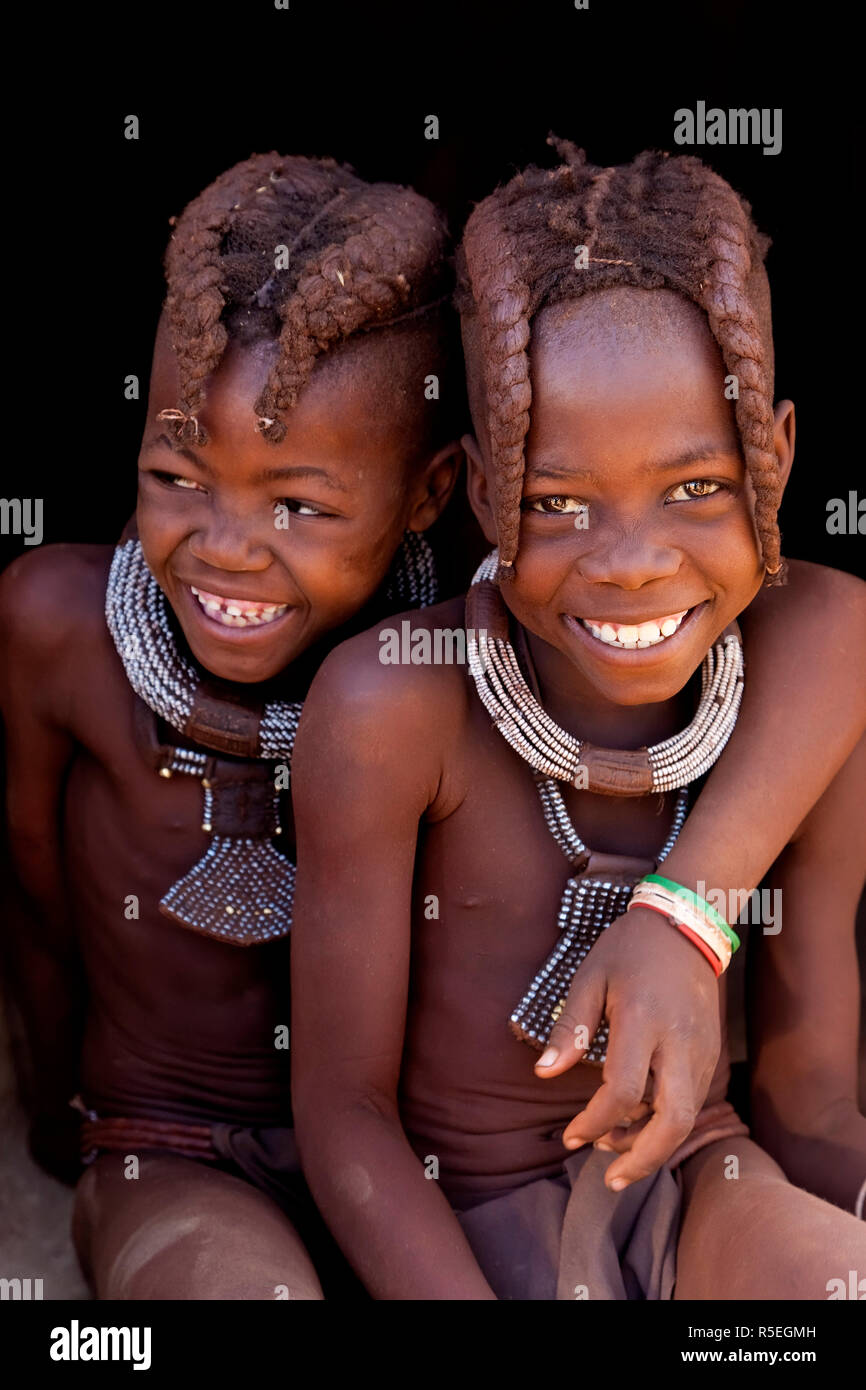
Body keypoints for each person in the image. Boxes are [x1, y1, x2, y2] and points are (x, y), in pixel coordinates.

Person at [290, 142, 866, 1299]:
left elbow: (805, 1086)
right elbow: (343, 1115)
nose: (632, 565)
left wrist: (684, 919)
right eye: (555, 502)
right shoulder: (391, 705)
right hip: (464, 1213)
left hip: (704, 1175)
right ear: (481, 489)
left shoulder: (805, 671)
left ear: (779, 458)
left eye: (696, 487)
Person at [0, 151, 464, 1299]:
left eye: (297, 504)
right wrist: (57, 1115)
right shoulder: (56, 630)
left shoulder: (458, 662)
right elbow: (37, 905)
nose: (226, 547)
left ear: (429, 494)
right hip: (171, 1145)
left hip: (430, 1161)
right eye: (176, 472)